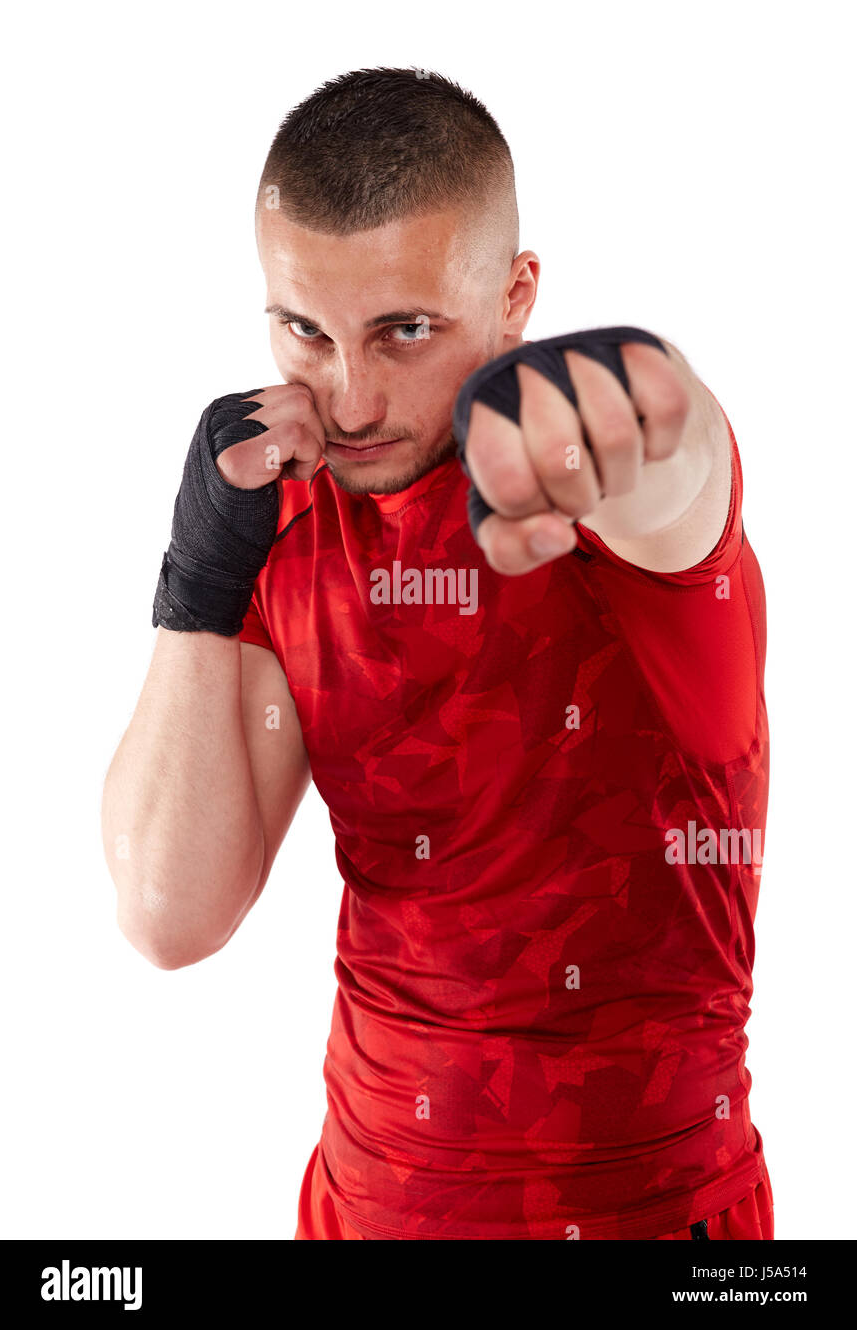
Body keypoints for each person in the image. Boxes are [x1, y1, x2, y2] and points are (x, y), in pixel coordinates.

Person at [101, 66, 773, 1241]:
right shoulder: (291, 522)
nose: (349, 396)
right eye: (305, 329)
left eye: (404, 330)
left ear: (515, 296)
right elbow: (169, 913)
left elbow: (679, 477)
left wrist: (655, 410)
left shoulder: (605, 511)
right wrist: (196, 582)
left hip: (653, 1222)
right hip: (361, 1206)